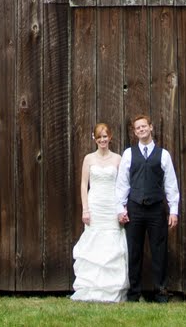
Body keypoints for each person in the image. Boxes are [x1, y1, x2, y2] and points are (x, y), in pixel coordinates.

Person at [114, 114, 179, 302]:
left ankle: (161, 293)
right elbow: (122, 183)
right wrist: (120, 209)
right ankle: (134, 293)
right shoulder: (128, 154)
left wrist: (173, 210)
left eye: (144, 126)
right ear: (135, 132)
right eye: (137, 128)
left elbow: (170, 184)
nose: (141, 130)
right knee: (134, 251)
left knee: (159, 251)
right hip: (134, 209)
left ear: (151, 128)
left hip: (156, 209)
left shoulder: (163, 155)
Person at [70, 122, 128, 302]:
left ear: (110, 138)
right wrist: (85, 209)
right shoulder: (89, 159)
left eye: (105, 136)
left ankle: (111, 290)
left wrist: (122, 208)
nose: (102, 140)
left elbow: (123, 185)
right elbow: (83, 184)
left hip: (111, 205)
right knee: (94, 241)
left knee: (111, 241)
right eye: (99, 137)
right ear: (94, 138)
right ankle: (91, 288)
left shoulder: (118, 159)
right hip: (95, 204)